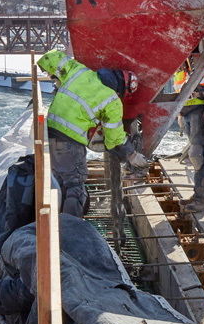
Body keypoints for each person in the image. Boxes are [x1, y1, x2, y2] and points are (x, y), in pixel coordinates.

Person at [37, 49, 147, 217]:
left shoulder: (80, 71)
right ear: (121, 91)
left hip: (46, 133)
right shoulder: (112, 100)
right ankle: (69, 231)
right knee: (74, 187)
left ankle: (55, 226)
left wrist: (50, 72)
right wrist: (132, 155)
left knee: (58, 183)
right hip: (69, 141)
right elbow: (114, 140)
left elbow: (53, 57)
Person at [172, 57, 204, 213]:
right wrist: (180, 113)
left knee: (197, 154)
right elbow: (181, 89)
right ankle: (198, 195)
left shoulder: (200, 60)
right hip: (187, 111)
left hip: (200, 111)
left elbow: (203, 83)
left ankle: (203, 199)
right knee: (196, 154)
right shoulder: (183, 61)